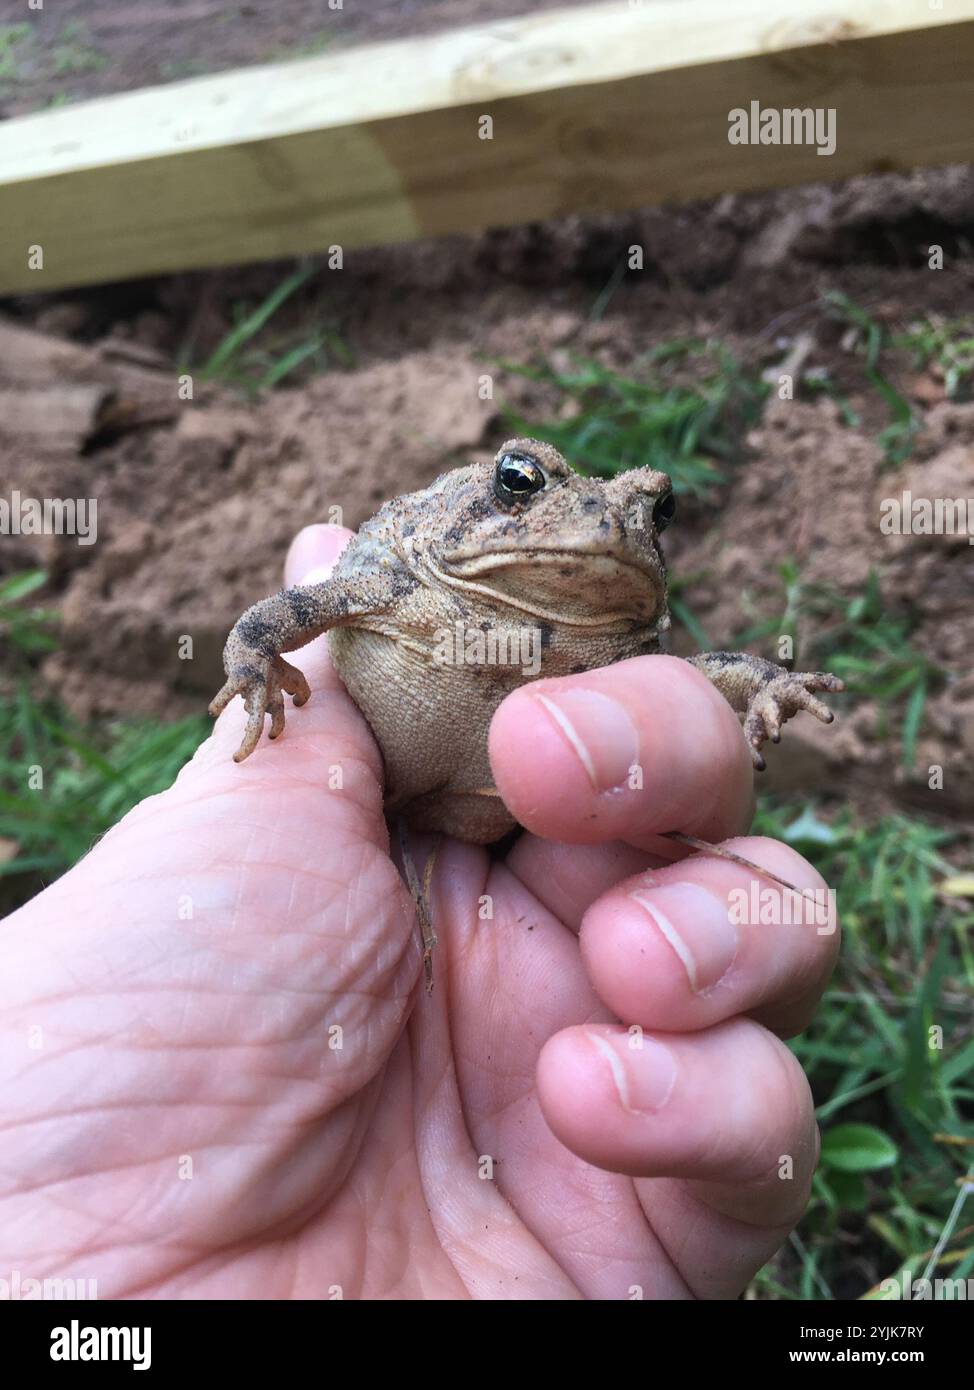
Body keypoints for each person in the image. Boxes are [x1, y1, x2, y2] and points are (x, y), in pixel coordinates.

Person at [0, 523, 837, 1300]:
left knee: (654, 913)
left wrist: (765, 687)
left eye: (649, 513)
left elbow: (701, 675)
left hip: (522, 870)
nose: (603, 523)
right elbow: (276, 619)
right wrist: (257, 676)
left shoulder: (611, 647)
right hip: (391, 836)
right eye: (520, 482)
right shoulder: (406, 579)